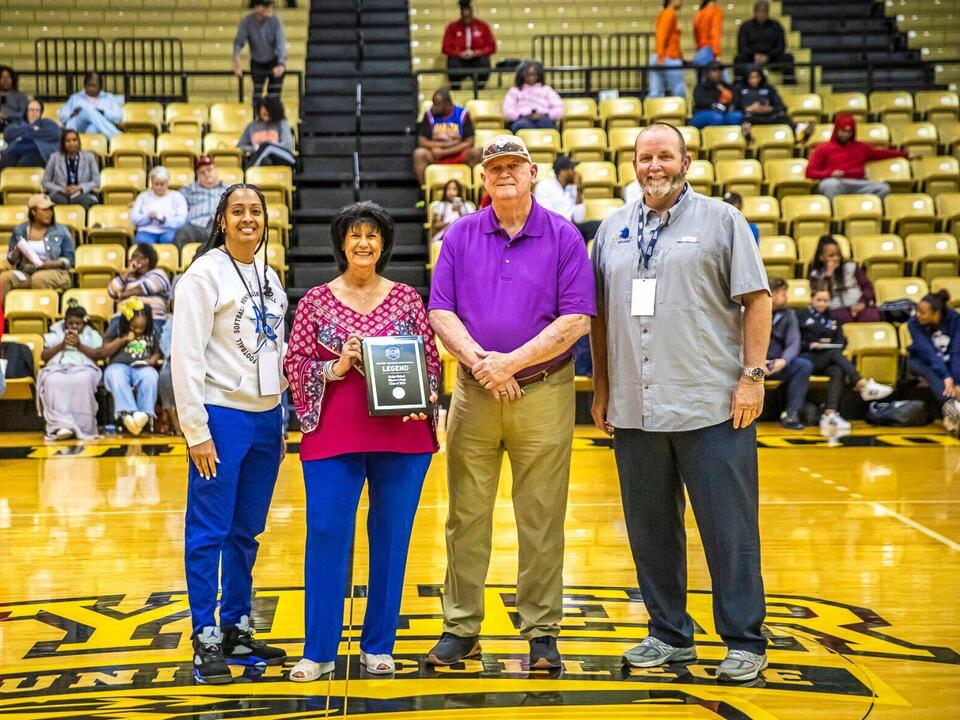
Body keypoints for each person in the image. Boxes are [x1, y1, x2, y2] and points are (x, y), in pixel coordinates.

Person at [590, 122, 772, 682]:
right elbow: (597, 318)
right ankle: (668, 633)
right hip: (635, 409)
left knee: (728, 530)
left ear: (686, 161)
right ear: (633, 163)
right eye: (645, 157)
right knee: (649, 530)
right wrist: (600, 387)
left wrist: (753, 376)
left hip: (711, 405)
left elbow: (757, 300)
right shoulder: (612, 229)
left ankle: (744, 639)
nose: (654, 166)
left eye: (664, 156)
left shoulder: (722, 220)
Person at [427, 133, 594, 670]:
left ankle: (542, 632)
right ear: (482, 178)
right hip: (474, 394)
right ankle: (461, 627)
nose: (504, 173)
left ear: (532, 173)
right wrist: (484, 363)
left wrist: (510, 363)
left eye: (513, 166)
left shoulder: (565, 237)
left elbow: (576, 320)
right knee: (465, 516)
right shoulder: (458, 236)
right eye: (494, 166)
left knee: (541, 517)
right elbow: (440, 313)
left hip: (543, 392)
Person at [284, 202, 440, 681]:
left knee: (391, 541)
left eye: (372, 235)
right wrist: (336, 367)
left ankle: (379, 646)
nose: (364, 243)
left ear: (384, 245)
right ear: (341, 245)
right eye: (354, 236)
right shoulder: (314, 300)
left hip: (402, 434)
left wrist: (425, 394)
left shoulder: (408, 299)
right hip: (334, 432)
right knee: (328, 535)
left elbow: (430, 362)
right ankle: (318, 650)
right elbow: (295, 366)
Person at [172, 184, 288, 684]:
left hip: (266, 418)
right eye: (237, 211)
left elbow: (274, 350)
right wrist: (196, 431)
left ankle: (237, 624)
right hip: (221, 418)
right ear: (221, 220)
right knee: (209, 532)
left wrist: (284, 411)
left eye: (255, 211)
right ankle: (205, 637)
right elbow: (186, 357)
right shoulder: (203, 275)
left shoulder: (269, 275)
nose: (247, 219)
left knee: (246, 532)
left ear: (265, 221)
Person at [798, 281, 893, 434]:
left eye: (826, 300)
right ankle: (862, 384)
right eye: (819, 300)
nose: (823, 304)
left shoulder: (833, 316)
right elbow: (794, 341)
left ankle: (830, 414)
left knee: (837, 370)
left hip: (828, 358)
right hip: (806, 358)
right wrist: (810, 345)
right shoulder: (801, 315)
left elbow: (841, 340)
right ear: (811, 299)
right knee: (836, 355)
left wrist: (833, 345)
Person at [38, 300, 103, 440]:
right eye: (70, 323)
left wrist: (79, 345)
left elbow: (98, 356)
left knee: (83, 380)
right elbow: (44, 356)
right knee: (51, 381)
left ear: (84, 323)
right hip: (57, 368)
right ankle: (60, 426)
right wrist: (61, 345)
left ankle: (82, 426)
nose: (74, 326)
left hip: (84, 368)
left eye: (78, 323)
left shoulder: (92, 334)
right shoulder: (54, 334)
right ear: (65, 322)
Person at [805, 113, 910, 201]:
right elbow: (810, 172)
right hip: (836, 182)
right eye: (842, 131)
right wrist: (830, 174)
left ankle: (864, 211)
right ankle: (837, 215)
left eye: (848, 132)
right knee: (829, 185)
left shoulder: (862, 147)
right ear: (836, 130)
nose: (845, 135)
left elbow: (882, 153)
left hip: (860, 183)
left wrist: (906, 154)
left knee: (883, 188)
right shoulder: (823, 148)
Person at [99, 299, 162, 436]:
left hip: (143, 366)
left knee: (151, 376)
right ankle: (130, 413)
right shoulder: (117, 326)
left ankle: (143, 415)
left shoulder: (153, 330)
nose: (138, 331)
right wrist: (122, 339)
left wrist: (152, 360)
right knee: (115, 375)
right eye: (134, 327)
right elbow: (103, 352)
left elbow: (158, 351)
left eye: (142, 328)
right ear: (127, 322)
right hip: (119, 365)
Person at [1, 194, 74, 298]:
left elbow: (70, 260)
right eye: (45, 210)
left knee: (38, 279)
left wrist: (53, 264)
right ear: (33, 211)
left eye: (51, 210)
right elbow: (11, 261)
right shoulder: (20, 230)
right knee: (4, 278)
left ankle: (42, 312)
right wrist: (17, 251)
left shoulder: (61, 230)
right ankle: (5, 313)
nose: (49, 213)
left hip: (56, 272)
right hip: (27, 273)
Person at [908, 290, 960, 435]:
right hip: (921, 361)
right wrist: (947, 377)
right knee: (936, 377)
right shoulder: (913, 323)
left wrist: (956, 381)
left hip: (949, 362)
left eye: (923, 312)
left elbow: (956, 351)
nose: (918, 314)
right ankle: (953, 412)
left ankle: (954, 413)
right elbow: (929, 353)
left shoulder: (955, 320)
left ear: (936, 314)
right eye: (917, 310)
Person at [765, 277, 813, 429]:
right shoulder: (752, 310)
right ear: (771, 294)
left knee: (803, 365)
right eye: (783, 293)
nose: (787, 297)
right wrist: (755, 361)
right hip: (752, 363)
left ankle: (791, 413)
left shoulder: (788, 314)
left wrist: (783, 361)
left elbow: (794, 342)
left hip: (776, 364)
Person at [413, 88, 481, 185]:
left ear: (448, 104)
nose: (433, 107)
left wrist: (444, 151)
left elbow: (470, 142)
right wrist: (447, 144)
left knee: (476, 152)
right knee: (419, 154)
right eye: (433, 103)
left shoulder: (462, 114)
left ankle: (470, 191)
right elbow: (422, 141)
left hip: (457, 154)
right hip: (436, 154)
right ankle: (425, 192)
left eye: (437, 104)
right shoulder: (429, 115)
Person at [807, 235, 881, 324]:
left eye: (838, 255)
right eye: (831, 256)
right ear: (821, 257)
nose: (836, 258)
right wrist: (828, 276)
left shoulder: (851, 267)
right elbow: (820, 297)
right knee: (840, 317)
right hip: (835, 309)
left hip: (858, 305)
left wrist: (863, 302)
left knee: (871, 315)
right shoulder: (816, 274)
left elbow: (867, 287)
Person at [734, 65, 812, 144]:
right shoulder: (739, 88)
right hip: (751, 117)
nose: (755, 80)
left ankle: (799, 137)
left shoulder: (769, 88)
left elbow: (781, 106)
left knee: (785, 117)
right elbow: (735, 106)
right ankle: (749, 140)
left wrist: (770, 108)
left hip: (768, 116)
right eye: (752, 77)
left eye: (757, 77)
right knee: (744, 123)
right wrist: (749, 109)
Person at [107, 243, 173, 333]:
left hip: (153, 317)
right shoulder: (127, 278)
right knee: (108, 339)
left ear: (147, 260)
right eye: (132, 257)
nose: (133, 260)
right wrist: (127, 272)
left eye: (138, 257)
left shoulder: (158, 273)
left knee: (152, 341)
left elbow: (145, 288)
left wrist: (123, 295)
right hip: (124, 317)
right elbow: (112, 291)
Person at [534, 154, 601, 241]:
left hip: (570, 228)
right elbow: (546, 216)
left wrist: (579, 189)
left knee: (597, 226)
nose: (575, 173)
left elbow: (579, 218)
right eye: (572, 169)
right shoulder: (544, 186)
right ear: (562, 172)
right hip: (552, 230)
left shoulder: (573, 188)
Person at [233, 0, 287, 99]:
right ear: (256, 8)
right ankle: (257, 112)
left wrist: (281, 64)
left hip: (274, 60)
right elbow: (238, 43)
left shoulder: (276, 20)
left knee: (274, 95)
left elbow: (281, 43)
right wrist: (237, 64)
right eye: (265, 6)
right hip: (257, 61)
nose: (269, 9)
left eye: (270, 6)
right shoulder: (247, 21)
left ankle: (272, 112)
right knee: (257, 92)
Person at [174, 156, 228, 248]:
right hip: (196, 226)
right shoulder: (188, 190)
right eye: (202, 173)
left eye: (209, 170)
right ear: (197, 176)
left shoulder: (228, 189)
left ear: (216, 171)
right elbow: (171, 201)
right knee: (182, 231)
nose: (207, 174)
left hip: (219, 225)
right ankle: (180, 262)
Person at [442, 0, 496, 90]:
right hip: (460, 60)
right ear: (461, 15)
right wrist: (459, 53)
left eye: (469, 16)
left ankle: (480, 86)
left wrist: (478, 52)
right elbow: (445, 48)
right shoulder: (452, 27)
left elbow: (492, 47)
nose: (467, 19)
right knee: (452, 61)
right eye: (464, 16)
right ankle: (455, 86)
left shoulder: (482, 26)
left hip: (476, 60)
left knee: (484, 60)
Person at [735, 0, 794, 82]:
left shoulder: (776, 26)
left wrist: (768, 56)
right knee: (739, 59)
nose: (761, 14)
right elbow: (742, 46)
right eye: (759, 11)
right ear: (754, 12)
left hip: (772, 57)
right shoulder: (746, 26)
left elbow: (781, 46)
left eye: (764, 11)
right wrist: (754, 55)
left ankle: (790, 83)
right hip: (751, 58)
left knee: (787, 58)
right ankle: (738, 84)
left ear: (768, 12)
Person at [42, 130, 101, 209]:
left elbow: (96, 181)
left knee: (83, 201)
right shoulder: (54, 157)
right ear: (63, 143)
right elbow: (45, 182)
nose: (71, 143)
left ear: (79, 142)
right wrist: (61, 189)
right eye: (68, 141)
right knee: (56, 201)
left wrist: (79, 187)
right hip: (61, 193)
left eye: (74, 140)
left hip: (82, 193)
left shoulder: (89, 157)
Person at [502, 61, 564, 133]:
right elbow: (508, 109)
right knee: (521, 126)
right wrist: (520, 115)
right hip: (521, 119)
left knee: (548, 126)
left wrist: (548, 114)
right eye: (528, 75)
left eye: (534, 75)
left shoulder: (546, 89)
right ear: (522, 75)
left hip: (544, 118)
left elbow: (558, 107)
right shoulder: (514, 91)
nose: (531, 77)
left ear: (539, 75)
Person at [131, 166, 188, 245]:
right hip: (146, 230)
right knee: (142, 242)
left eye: (162, 184)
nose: (159, 187)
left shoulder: (177, 196)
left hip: (169, 230)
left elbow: (182, 219)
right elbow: (134, 218)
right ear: (151, 182)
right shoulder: (143, 196)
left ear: (167, 182)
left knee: (171, 240)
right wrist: (148, 217)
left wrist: (165, 221)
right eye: (156, 184)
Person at [59, 72, 123, 139]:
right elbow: (62, 116)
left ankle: (90, 147)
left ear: (101, 86)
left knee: (92, 128)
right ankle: (118, 137)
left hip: (99, 130)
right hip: (80, 127)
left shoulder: (109, 98)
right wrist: (72, 114)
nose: (90, 88)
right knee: (87, 110)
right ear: (85, 85)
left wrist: (102, 112)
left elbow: (119, 116)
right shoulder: (75, 98)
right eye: (89, 85)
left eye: (94, 85)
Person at [1, 99, 61, 169]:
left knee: (24, 163)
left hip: (37, 152)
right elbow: (7, 134)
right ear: (26, 111)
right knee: (6, 160)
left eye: (37, 110)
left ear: (41, 112)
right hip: (15, 151)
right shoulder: (18, 124)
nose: (34, 112)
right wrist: (31, 128)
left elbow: (55, 133)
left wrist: (24, 136)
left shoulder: (46, 122)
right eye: (32, 110)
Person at [238, 96, 296, 168]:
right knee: (265, 159)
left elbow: (287, 144)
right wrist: (254, 148)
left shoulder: (281, 123)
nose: (266, 118)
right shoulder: (252, 126)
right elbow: (241, 145)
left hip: (283, 156)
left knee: (267, 146)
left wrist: (269, 145)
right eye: (264, 115)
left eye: (269, 115)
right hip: (262, 157)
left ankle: (248, 170)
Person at [648, 0, 686, 99]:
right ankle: (678, 114)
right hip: (669, 58)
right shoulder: (670, 13)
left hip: (661, 57)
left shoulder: (664, 13)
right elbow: (662, 35)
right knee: (679, 92)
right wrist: (661, 57)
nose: (683, 2)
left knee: (656, 93)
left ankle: (654, 113)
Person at [692, 61, 742, 129]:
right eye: (715, 70)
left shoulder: (728, 86)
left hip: (725, 113)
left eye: (720, 70)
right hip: (703, 112)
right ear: (707, 73)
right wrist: (717, 106)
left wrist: (732, 105)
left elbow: (735, 100)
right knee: (717, 118)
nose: (718, 73)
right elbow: (700, 101)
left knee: (737, 116)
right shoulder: (701, 87)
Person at [693, 0, 723, 68]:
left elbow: (696, 36)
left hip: (698, 54)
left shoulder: (699, 13)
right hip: (709, 52)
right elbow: (715, 34)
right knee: (722, 77)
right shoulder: (716, 11)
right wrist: (717, 54)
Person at [0, 65, 29, 131]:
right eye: (2, 77)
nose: (5, 80)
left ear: (13, 79)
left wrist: (6, 115)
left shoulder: (21, 96)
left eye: (8, 77)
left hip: (14, 127)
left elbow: (24, 114)